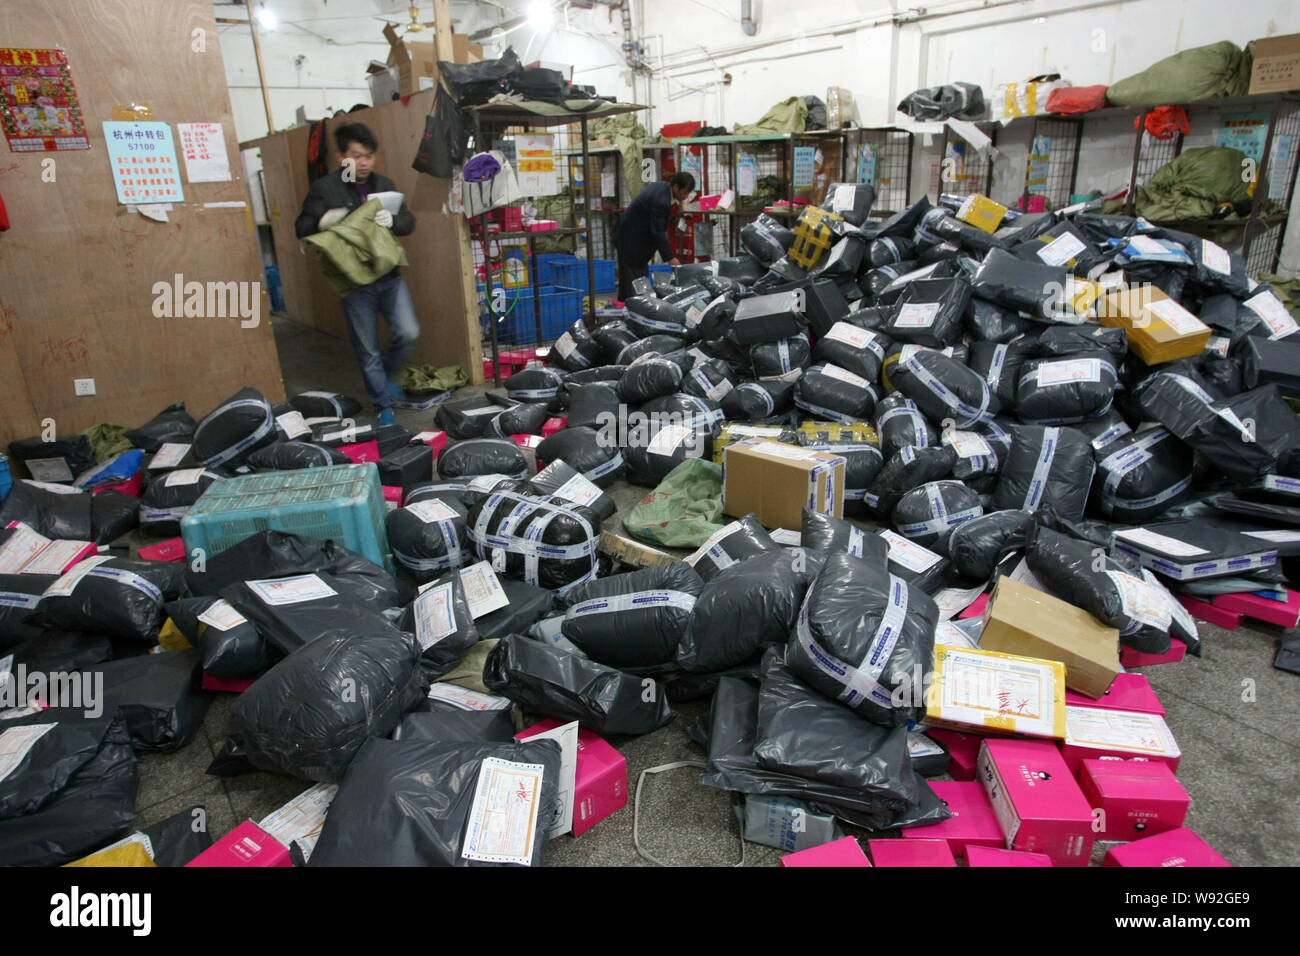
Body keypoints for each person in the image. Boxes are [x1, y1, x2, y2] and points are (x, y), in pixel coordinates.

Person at [295, 122, 418, 427]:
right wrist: (323, 220)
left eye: (369, 156)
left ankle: (387, 377)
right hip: (353, 283)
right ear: (341, 156)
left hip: (388, 277)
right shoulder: (325, 189)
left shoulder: (383, 184)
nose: (363, 162)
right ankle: (382, 406)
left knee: (408, 332)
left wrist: (392, 220)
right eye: (356, 155)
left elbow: (408, 222)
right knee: (368, 351)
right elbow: (301, 227)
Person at [612, 171, 695, 301]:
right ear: (676, 187)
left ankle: (623, 310)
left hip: (628, 237)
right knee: (637, 285)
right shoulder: (662, 201)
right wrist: (671, 258)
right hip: (631, 242)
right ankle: (635, 312)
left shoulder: (663, 187)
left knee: (628, 284)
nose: (686, 196)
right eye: (684, 192)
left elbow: (656, 217)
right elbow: (658, 233)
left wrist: (677, 217)